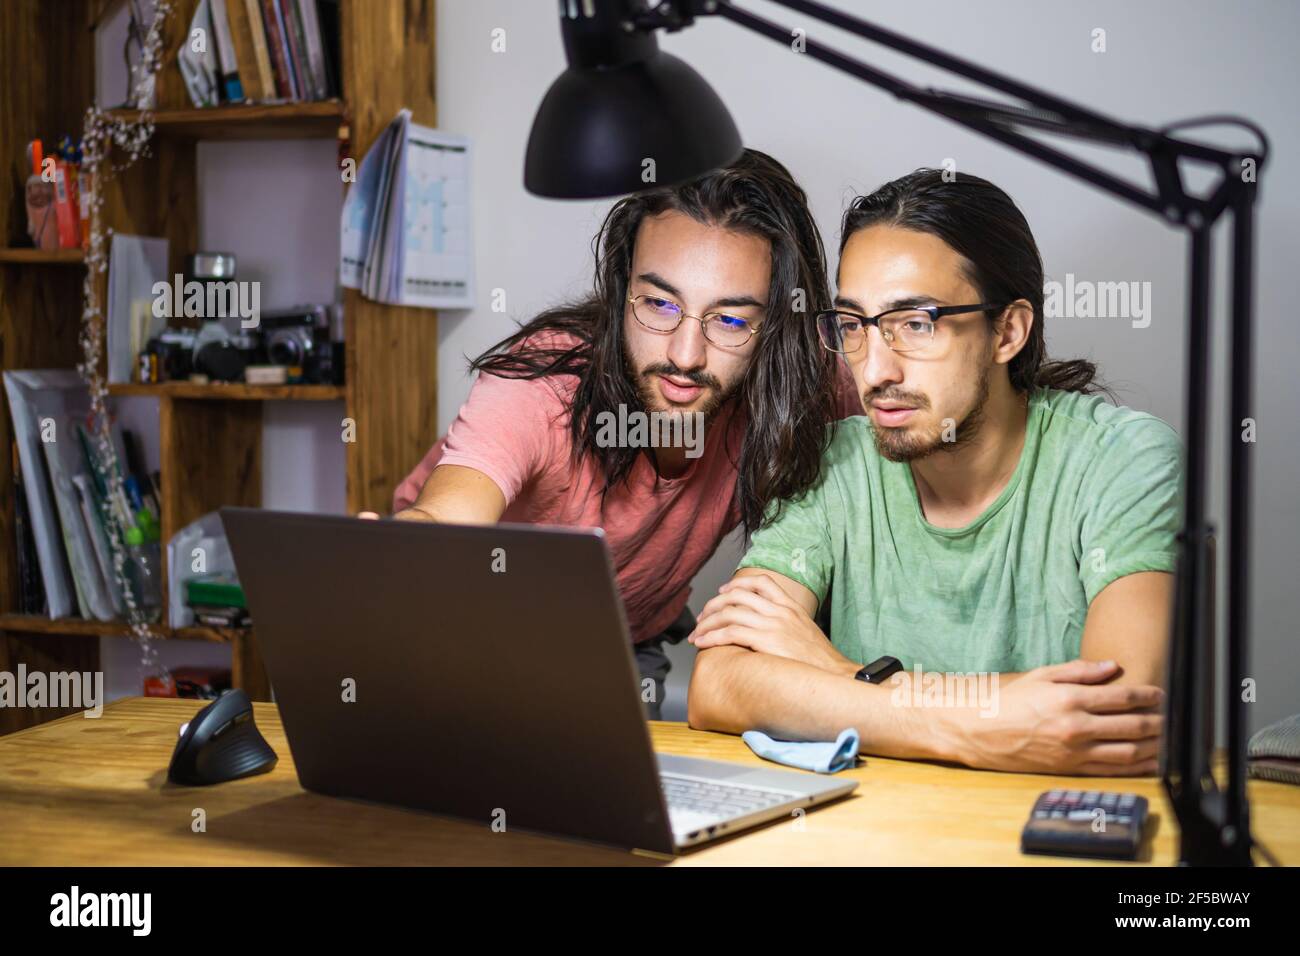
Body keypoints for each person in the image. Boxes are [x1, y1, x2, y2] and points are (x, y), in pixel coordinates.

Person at [688, 169, 1181, 775]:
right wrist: (969, 725)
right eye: (853, 326)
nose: (875, 372)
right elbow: (718, 684)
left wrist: (844, 676)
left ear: (1008, 331)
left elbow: (1110, 717)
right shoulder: (833, 462)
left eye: (916, 324)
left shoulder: (1123, 460)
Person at [376, 150, 859, 718]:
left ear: (776, 326)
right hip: (460, 634)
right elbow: (444, 516)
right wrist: (401, 552)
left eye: (729, 319)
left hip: (621, 643)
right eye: (658, 303)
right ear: (620, 288)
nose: (685, 355)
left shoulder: (803, 381)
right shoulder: (545, 384)